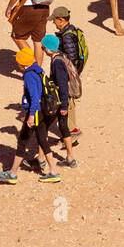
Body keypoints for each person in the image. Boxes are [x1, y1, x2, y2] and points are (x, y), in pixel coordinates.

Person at [0, 47, 61, 184]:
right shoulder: (38, 69)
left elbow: (34, 97)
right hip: (43, 111)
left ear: (22, 64)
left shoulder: (30, 75)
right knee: (42, 139)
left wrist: (31, 116)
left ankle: (12, 174)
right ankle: (53, 171)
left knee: (23, 141)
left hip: (35, 112)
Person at [39, 33, 78, 168]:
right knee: (63, 127)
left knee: (42, 127)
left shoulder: (57, 63)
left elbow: (62, 85)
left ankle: (41, 160)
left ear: (49, 49)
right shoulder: (61, 57)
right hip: (62, 101)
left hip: (58, 101)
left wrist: (64, 106)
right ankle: (70, 158)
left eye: (44, 48)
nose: (43, 51)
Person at [51, 6, 88, 138]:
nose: (53, 23)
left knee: (67, 99)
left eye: (54, 20)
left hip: (68, 73)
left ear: (61, 20)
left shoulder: (67, 37)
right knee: (69, 99)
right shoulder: (72, 30)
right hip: (72, 72)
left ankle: (72, 130)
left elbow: (71, 57)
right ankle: (71, 128)